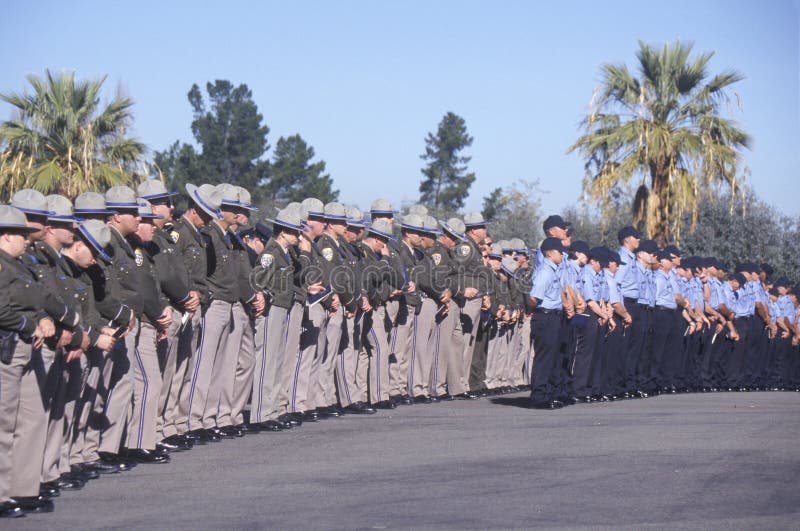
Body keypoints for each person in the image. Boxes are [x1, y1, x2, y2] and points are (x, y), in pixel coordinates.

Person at [0, 205, 57, 517]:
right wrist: (29, 325)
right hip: (7, 348)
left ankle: (24, 489)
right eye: (21, 235)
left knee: (32, 417)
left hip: (27, 349)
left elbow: (35, 299)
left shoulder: (20, 265)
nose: (26, 240)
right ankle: (2, 493)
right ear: (7, 236)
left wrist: (44, 319)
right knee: (4, 423)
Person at [528, 237, 569, 409]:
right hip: (545, 316)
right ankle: (539, 396)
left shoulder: (553, 270)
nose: (562, 254)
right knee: (544, 358)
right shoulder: (546, 271)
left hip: (553, 316)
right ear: (550, 253)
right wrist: (533, 311)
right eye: (560, 252)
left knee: (552, 357)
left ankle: (548, 394)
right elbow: (533, 298)